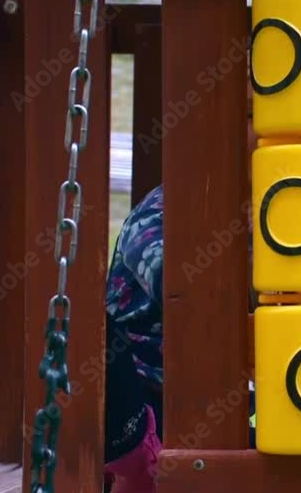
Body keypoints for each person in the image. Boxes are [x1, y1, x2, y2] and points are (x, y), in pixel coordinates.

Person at [103, 120, 257, 492]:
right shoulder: (160, 212)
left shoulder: (258, 215)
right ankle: (137, 461)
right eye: (251, 120)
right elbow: (185, 293)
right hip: (142, 394)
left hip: (210, 397)